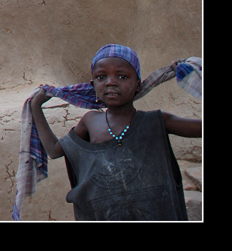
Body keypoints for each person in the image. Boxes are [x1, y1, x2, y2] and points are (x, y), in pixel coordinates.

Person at [18, 44, 202, 221]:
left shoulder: (156, 121)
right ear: (93, 86)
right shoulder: (90, 121)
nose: (110, 82)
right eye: (101, 77)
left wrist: (192, 76)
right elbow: (54, 150)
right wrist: (36, 106)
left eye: (122, 77)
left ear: (137, 84)